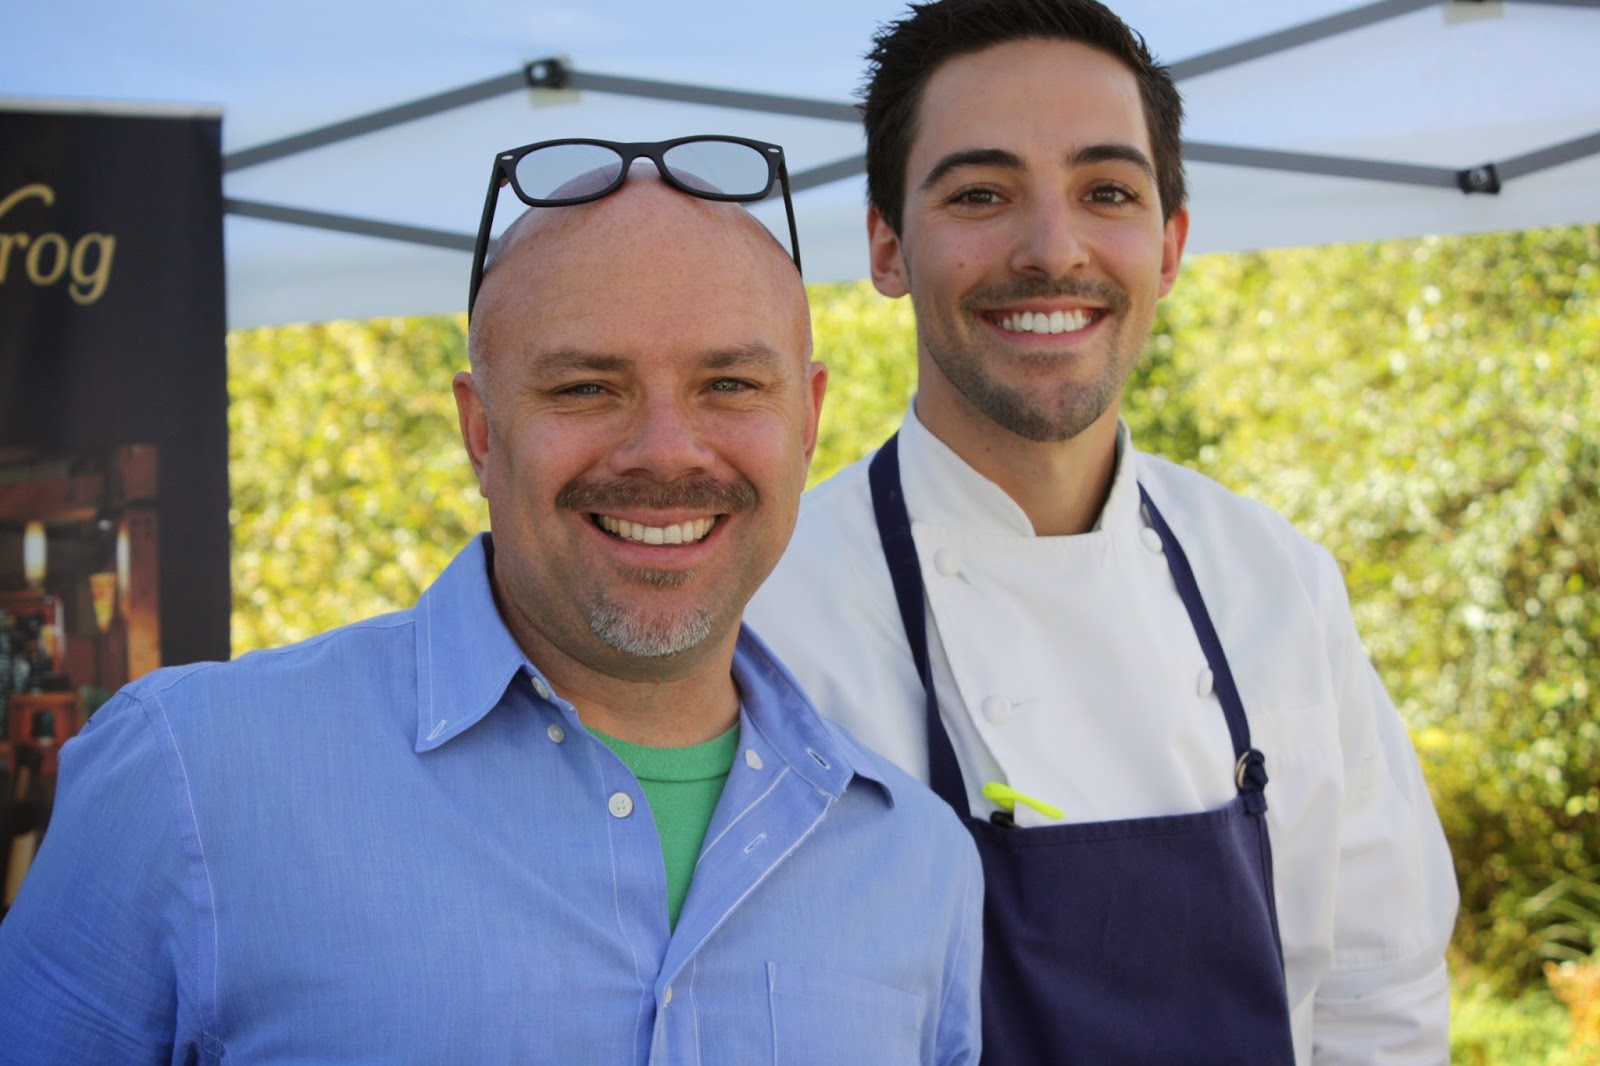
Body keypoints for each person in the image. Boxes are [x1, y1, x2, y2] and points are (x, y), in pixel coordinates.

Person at [0, 148, 983, 1064]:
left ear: (806, 421)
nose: (664, 449)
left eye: (728, 384)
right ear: (480, 431)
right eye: (586, 387)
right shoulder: (190, 777)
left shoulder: (915, 860)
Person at [745, 2, 1459, 1063]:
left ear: (1169, 247)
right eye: (980, 193)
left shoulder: (1279, 584)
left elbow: (1378, 998)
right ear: (887, 246)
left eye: (1107, 192)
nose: (1052, 249)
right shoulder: (767, 613)